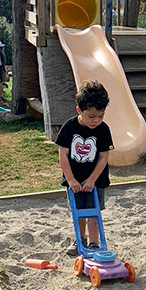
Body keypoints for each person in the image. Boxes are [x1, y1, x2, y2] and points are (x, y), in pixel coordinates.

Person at [56, 81, 114, 254]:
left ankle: (95, 243)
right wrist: (71, 179)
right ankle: (80, 240)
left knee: (94, 213)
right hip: (75, 179)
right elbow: (63, 156)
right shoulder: (69, 128)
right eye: (91, 116)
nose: (96, 120)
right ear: (79, 110)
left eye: (101, 116)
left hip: (96, 180)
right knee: (79, 211)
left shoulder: (103, 130)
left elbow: (104, 157)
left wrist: (92, 180)